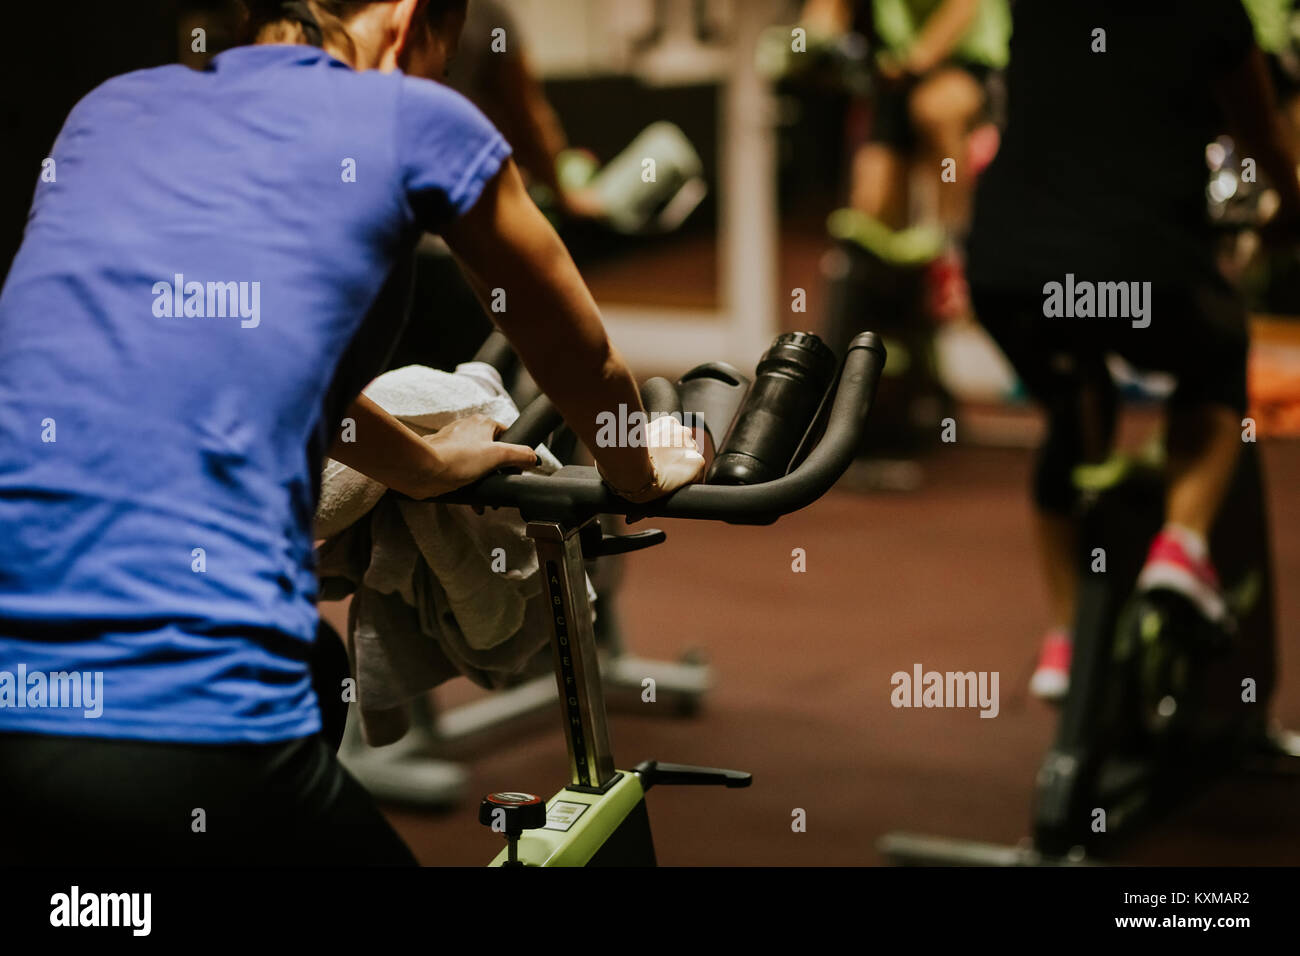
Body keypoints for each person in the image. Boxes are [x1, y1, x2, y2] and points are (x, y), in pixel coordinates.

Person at [0, 0, 703, 865]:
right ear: (408, 21)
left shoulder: (108, 113)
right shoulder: (418, 121)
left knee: (315, 671)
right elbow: (583, 361)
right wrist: (637, 471)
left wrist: (417, 462)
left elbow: (242, 354)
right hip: (181, 711)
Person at [965, 0, 1300, 700]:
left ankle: (1063, 638)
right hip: (1136, 268)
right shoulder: (1214, 14)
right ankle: (1181, 547)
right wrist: (1290, 211)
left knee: (1072, 404)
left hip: (1007, 267)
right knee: (1216, 356)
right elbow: (1263, 139)